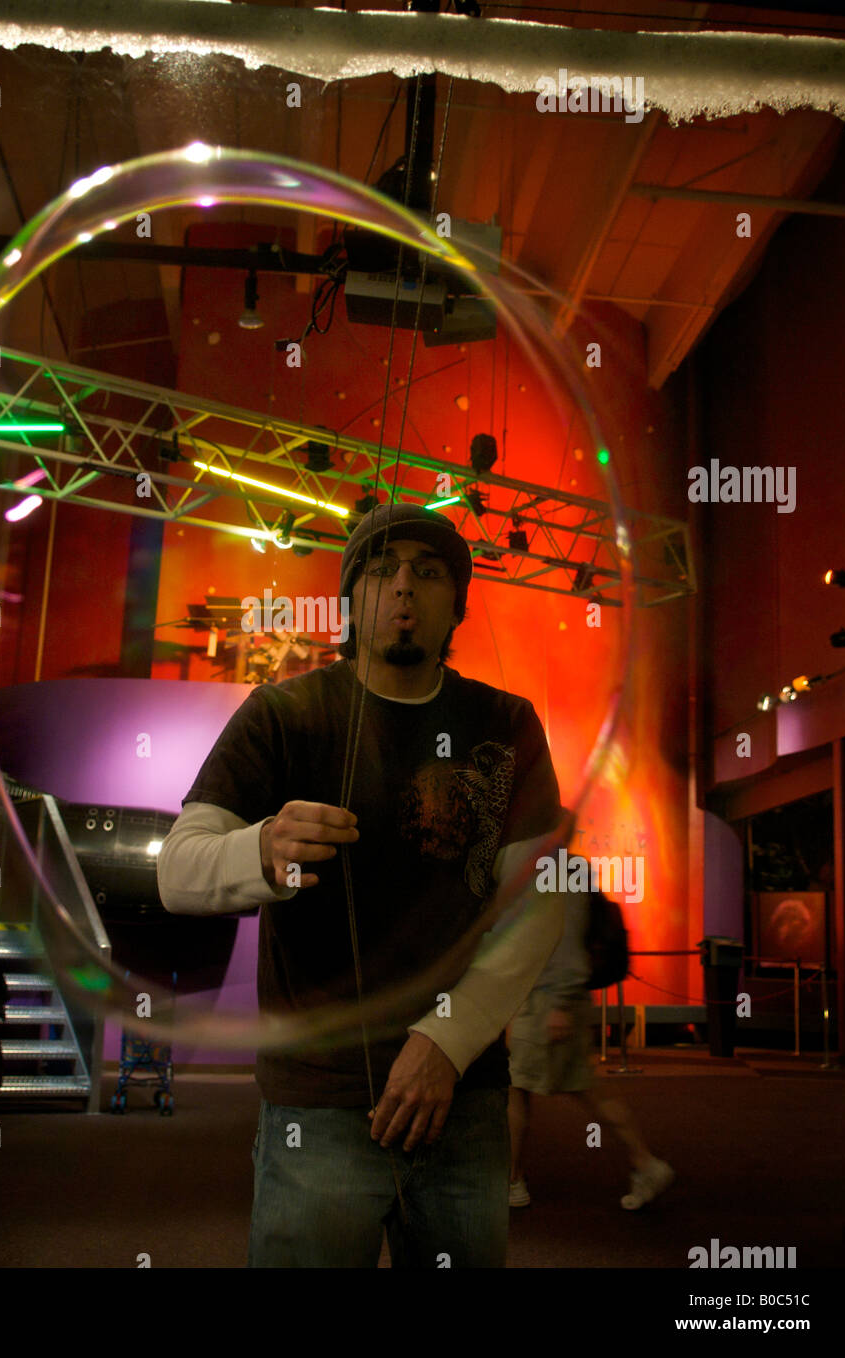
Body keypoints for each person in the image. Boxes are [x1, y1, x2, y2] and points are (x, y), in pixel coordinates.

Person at [158, 502, 570, 1268]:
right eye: (379, 570)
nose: (403, 586)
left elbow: (538, 904)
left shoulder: (505, 722)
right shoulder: (284, 715)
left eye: (429, 571)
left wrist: (445, 1043)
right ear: (351, 598)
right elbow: (179, 870)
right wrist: (262, 848)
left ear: (457, 605)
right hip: (317, 1103)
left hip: (463, 1095)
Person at [507, 869, 674, 1211]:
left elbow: (566, 947)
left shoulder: (556, 871)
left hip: (548, 1002)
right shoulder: (561, 868)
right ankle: (645, 1164)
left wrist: (560, 1003)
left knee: (515, 1089)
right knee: (585, 1089)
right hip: (551, 1000)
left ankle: (512, 1182)